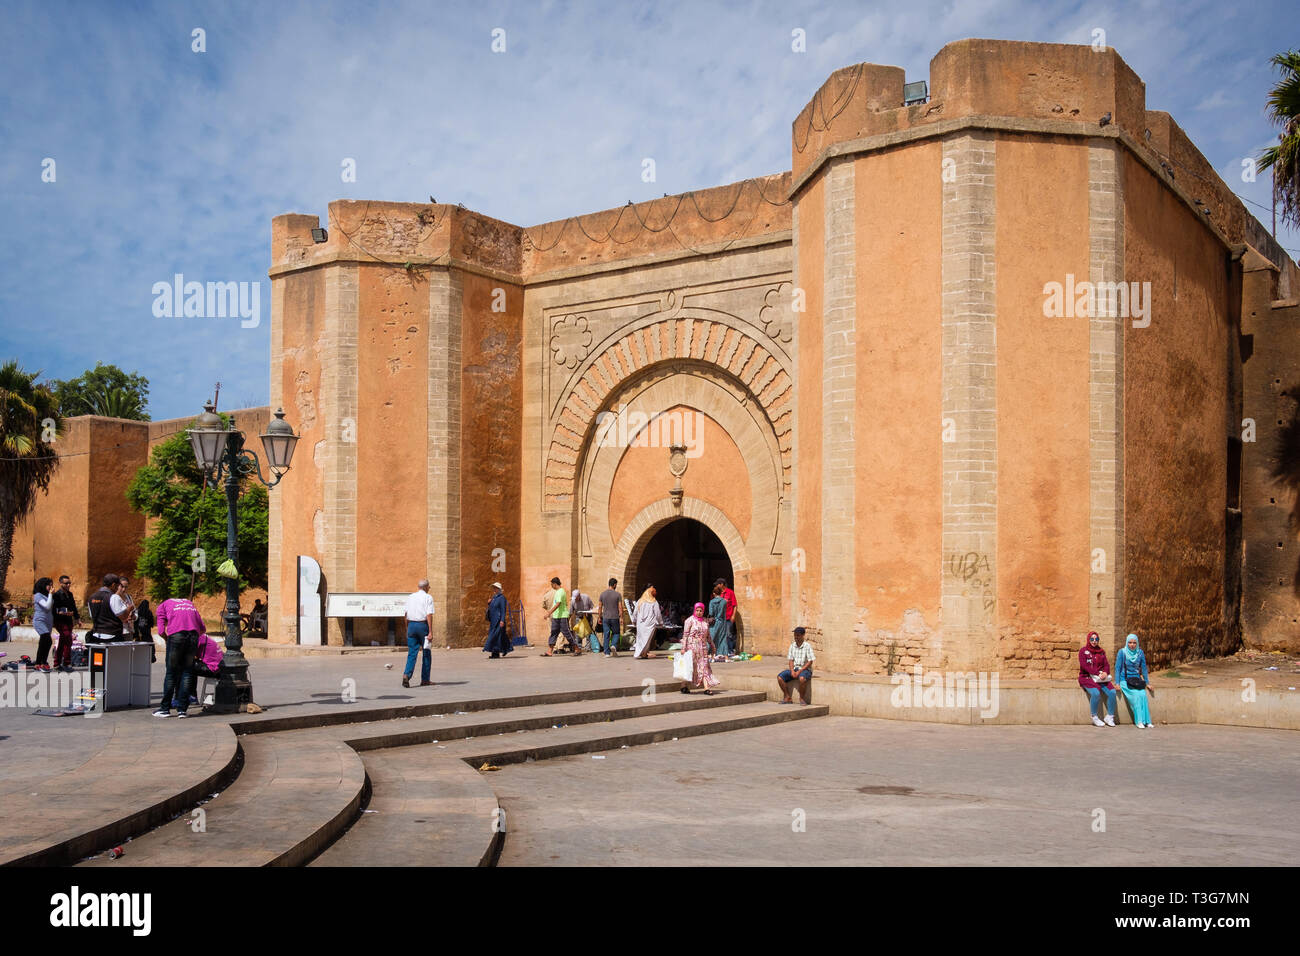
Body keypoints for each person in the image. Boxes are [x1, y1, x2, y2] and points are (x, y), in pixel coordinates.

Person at [153, 594, 206, 718]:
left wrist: (168, 639)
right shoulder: (189, 603)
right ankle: (182, 710)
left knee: (171, 673)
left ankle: (165, 709)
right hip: (193, 637)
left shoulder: (162, 606)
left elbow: (161, 631)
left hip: (176, 637)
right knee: (187, 672)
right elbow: (202, 629)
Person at [1078, 630, 1118, 727]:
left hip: (1101, 678)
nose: (1094, 641)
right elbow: (1084, 666)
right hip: (1086, 677)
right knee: (1096, 693)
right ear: (1088, 639)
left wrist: (1105, 672)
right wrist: (1097, 673)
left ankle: (1109, 716)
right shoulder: (1083, 651)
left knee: (1112, 692)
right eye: (1092, 639)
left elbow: (1106, 665)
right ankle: (1094, 717)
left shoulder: (1101, 652)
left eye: (1096, 639)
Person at [1114, 632, 1154, 728]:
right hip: (1125, 680)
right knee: (1136, 696)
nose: (1132, 645)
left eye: (1134, 643)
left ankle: (1147, 721)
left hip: (1137, 680)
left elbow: (1143, 668)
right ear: (1127, 643)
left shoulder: (1140, 653)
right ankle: (1139, 721)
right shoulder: (1122, 652)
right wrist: (1117, 683)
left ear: (1137, 643)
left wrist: (1147, 683)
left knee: (1143, 695)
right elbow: (1117, 668)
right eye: (1130, 642)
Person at [679, 602, 720, 694]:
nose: (699, 612)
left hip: (702, 648)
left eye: (701, 611)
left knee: (704, 667)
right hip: (691, 647)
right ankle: (684, 685)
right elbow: (685, 635)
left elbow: (708, 635)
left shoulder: (705, 622)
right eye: (697, 610)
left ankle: (706, 688)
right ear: (694, 610)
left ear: (703, 611)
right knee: (690, 667)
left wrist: (712, 645)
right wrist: (683, 648)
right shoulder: (689, 620)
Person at [403, 579, 435, 688]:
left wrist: (407, 628)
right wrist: (430, 631)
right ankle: (425, 679)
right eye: (429, 587)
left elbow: (406, 614)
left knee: (412, 653)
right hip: (422, 626)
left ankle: (406, 674)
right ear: (426, 587)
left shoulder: (410, 597)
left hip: (411, 625)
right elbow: (429, 615)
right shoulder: (428, 597)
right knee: (426, 652)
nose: (429, 588)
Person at [778, 626, 816, 704]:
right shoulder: (792, 646)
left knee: (802, 678)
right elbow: (791, 660)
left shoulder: (807, 646)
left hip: (805, 670)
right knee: (780, 677)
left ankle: (801, 698)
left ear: (803, 635)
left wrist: (800, 671)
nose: (796, 637)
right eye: (795, 635)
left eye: (798, 635)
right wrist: (792, 671)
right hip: (795, 669)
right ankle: (787, 697)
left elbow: (810, 661)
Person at [543, 577, 579, 656]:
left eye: (552, 584)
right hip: (556, 617)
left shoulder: (560, 592)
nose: (551, 586)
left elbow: (558, 603)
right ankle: (550, 651)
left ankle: (576, 648)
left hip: (562, 616)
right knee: (554, 633)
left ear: (555, 584)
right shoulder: (557, 592)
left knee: (567, 633)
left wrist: (549, 612)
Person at [87, 574, 127, 644]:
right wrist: (129, 608)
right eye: (117, 586)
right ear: (113, 585)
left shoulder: (91, 597)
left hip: (96, 636)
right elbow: (123, 617)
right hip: (112, 636)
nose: (117, 588)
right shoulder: (113, 597)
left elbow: (92, 616)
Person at [632, 584, 662, 659]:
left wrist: (634, 620)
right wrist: (660, 622)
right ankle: (644, 653)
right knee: (647, 639)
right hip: (649, 624)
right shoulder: (654, 602)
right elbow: (658, 614)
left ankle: (643, 653)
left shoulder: (640, 601)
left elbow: (635, 612)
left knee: (641, 639)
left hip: (640, 624)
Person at [32, 577, 54, 670]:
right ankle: (40, 662)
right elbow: (47, 606)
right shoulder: (38, 595)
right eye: (49, 585)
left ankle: (41, 662)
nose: (51, 587)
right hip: (40, 621)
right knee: (47, 639)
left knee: (45, 642)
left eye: (51, 585)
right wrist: (50, 594)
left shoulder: (48, 595)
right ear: (43, 585)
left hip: (48, 621)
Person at [483, 583, 510, 658]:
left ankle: (494, 652)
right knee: (499, 636)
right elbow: (492, 608)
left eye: (495, 588)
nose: (494, 589)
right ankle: (505, 649)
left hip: (498, 621)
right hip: (493, 621)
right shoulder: (494, 598)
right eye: (493, 588)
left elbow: (503, 610)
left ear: (499, 589)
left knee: (495, 636)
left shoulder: (502, 598)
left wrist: (502, 620)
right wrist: (489, 603)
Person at [598, 578, 623, 657]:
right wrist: (621, 617)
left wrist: (599, 617)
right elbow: (620, 607)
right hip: (615, 617)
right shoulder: (618, 594)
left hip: (605, 617)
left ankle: (607, 653)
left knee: (606, 634)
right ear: (614, 584)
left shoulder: (602, 594)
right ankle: (613, 645)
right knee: (616, 633)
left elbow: (600, 607)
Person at [570, 587, 598, 652]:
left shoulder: (586, 597)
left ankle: (588, 647)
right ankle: (579, 647)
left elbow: (592, 606)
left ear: (579, 595)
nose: (575, 599)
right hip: (579, 617)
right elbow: (571, 612)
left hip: (588, 617)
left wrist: (589, 612)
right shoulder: (573, 601)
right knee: (578, 633)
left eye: (576, 598)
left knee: (588, 632)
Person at [716, 577, 739, 655]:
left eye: (718, 584)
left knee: (729, 634)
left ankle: (730, 651)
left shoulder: (730, 592)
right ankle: (723, 651)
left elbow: (735, 605)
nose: (717, 586)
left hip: (728, 617)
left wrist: (733, 616)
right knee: (721, 634)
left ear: (722, 584)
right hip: (720, 618)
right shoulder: (718, 593)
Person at [708, 583, 730, 659]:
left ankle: (710, 654)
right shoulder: (724, 601)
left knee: (711, 638)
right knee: (723, 638)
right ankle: (726, 656)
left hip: (714, 622)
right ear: (721, 593)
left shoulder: (712, 602)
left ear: (714, 593)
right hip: (722, 622)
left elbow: (711, 613)